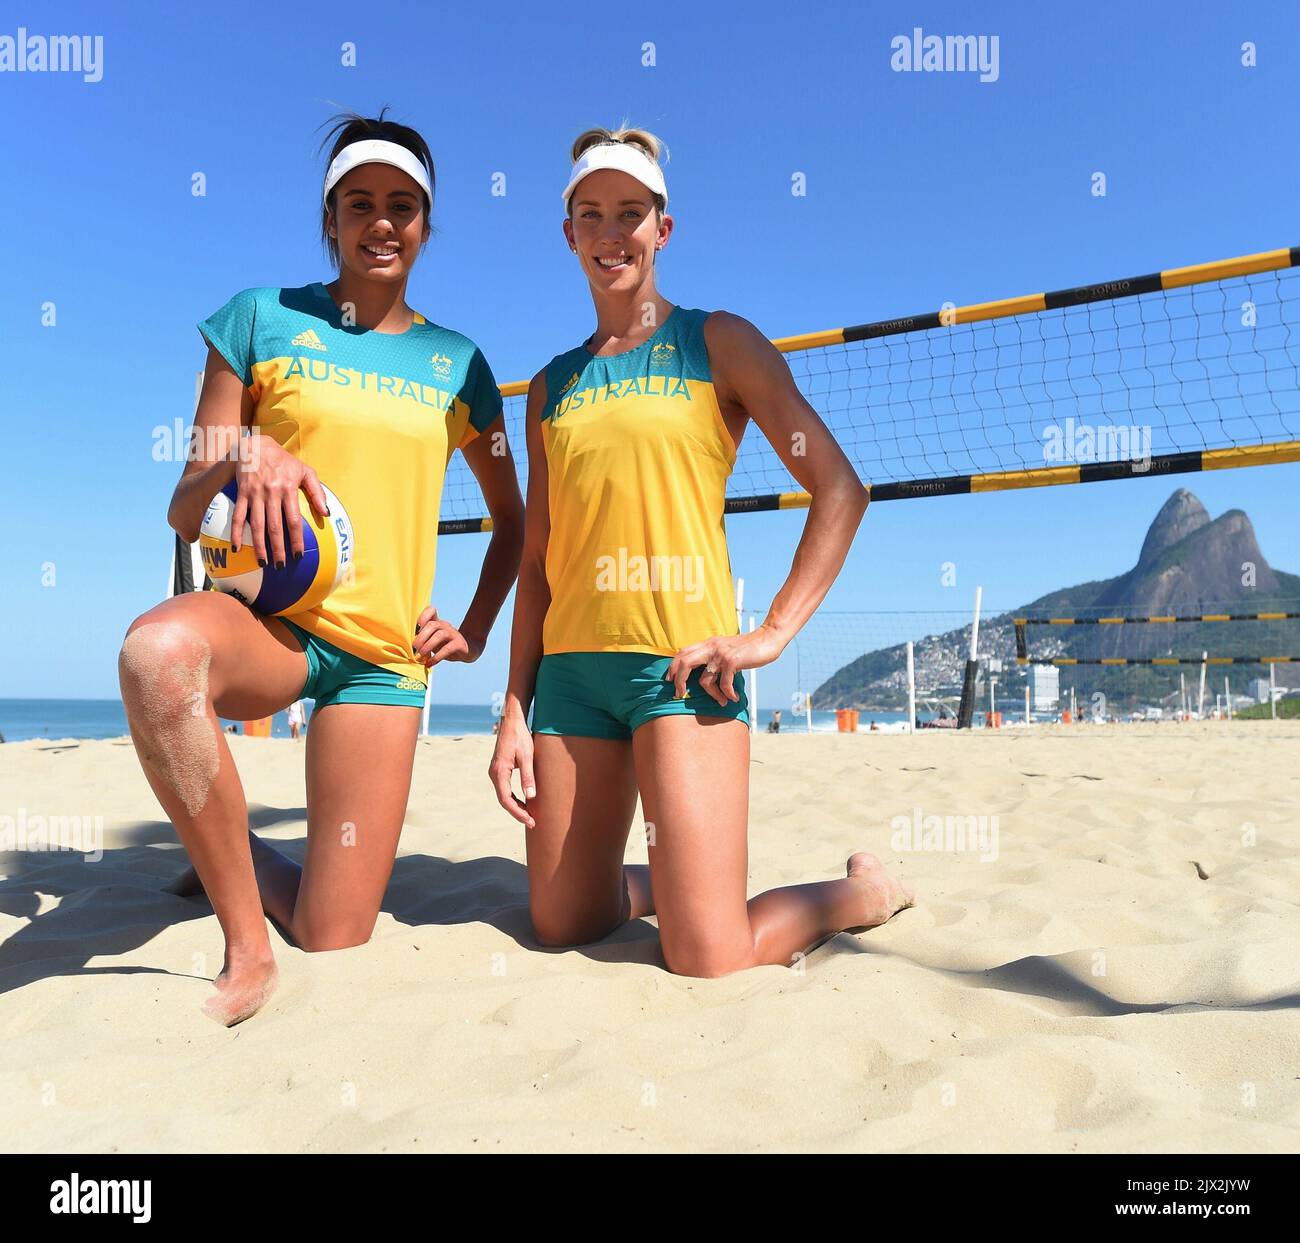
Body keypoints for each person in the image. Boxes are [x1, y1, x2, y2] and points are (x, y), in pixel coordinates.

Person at [118, 111, 524, 1025]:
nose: (382, 222)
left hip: (384, 655)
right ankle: (246, 949)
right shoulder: (258, 319)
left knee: (337, 929)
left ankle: (244, 856)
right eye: (360, 203)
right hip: (273, 627)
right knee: (155, 657)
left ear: (426, 223)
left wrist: (476, 626)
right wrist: (247, 449)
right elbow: (186, 508)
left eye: (403, 205)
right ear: (331, 219)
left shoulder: (458, 365)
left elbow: (514, 523)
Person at [489, 126, 913, 977]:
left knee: (707, 956)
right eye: (593, 214)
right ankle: (671, 880)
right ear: (568, 232)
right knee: (562, 923)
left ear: (662, 229)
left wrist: (770, 636)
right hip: (574, 675)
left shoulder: (720, 342)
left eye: (632, 214)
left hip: (685, 669)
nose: (614, 232)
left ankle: (866, 892)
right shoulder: (547, 388)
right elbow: (537, 561)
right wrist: (511, 708)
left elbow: (840, 488)